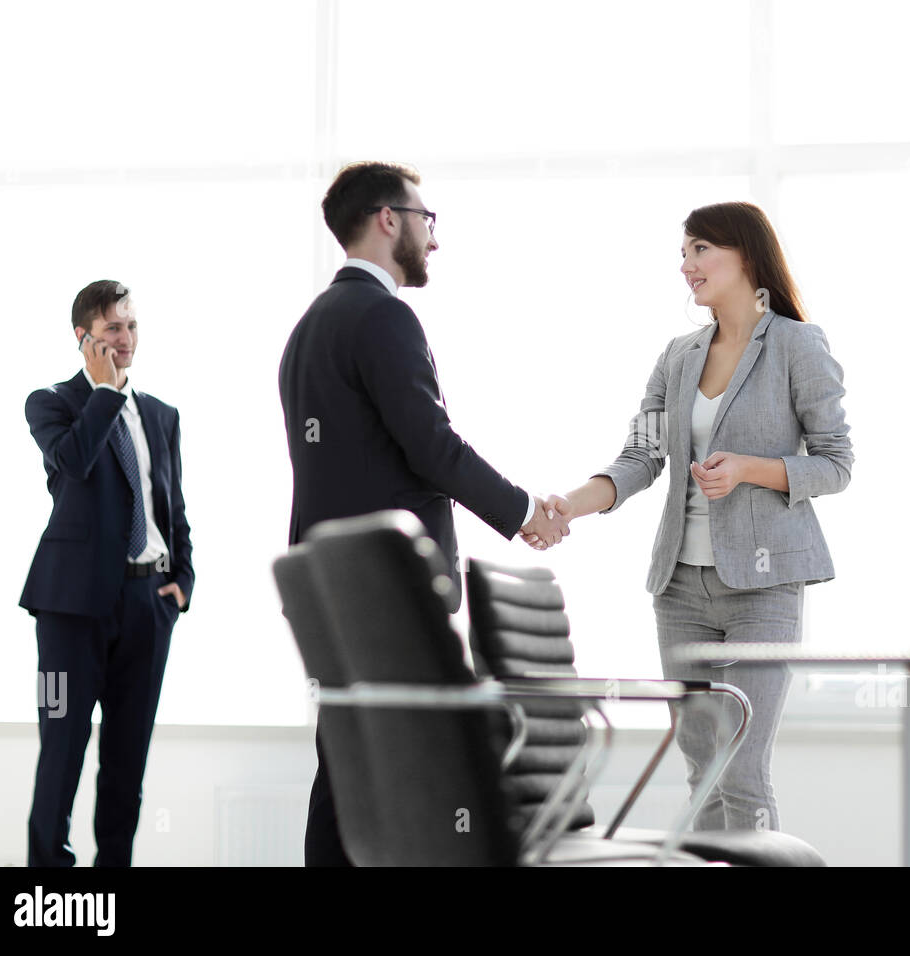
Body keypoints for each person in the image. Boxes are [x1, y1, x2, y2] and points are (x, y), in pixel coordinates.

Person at [279, 160, 570, 866]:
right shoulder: (384, 316)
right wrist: (526, 508)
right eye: (424, 220)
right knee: (412, 774)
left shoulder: (308, 328)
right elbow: (432, 448)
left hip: (330, 587)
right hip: (389, 592)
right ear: (388, 219)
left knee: (350, 767)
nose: (432, 240)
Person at [528, 201, 853, 831]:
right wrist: (570, 503)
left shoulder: (796, 345)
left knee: (742, 765)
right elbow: (642, 457)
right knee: (701, 766)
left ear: (746, 255)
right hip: (680, 588)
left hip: (763, 587)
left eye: (701, 249)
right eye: (684, 252)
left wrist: (749, 469)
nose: (687, 265)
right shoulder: (679, 356)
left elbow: (836, 463)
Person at [20, 280, 195, 866]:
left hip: (147, 608)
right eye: (112, 328)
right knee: (61, 752)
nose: (125, 338)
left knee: (127, 762)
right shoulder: (49, 403)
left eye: (132, 326)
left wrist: (182, 586)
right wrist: (103, 393)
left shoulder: (163, 416)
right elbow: (72, 463)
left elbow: (174, 509)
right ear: (83, 338)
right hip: (67, 612)